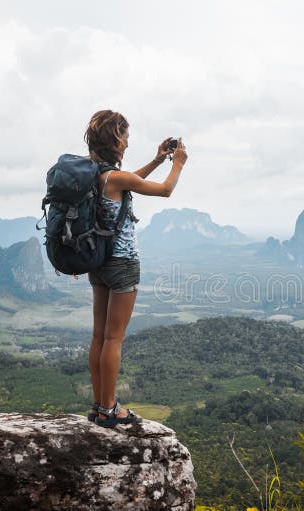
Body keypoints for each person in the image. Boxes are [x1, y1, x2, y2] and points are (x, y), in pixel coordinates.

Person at [83, 109, 187, 428]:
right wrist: (178, 163)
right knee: (114, 338)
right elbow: (164, 190)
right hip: (123, 264)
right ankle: (110, 408)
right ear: (115, 138)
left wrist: (157, 159)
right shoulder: (116, 178)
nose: (127, 144)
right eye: (125, 137)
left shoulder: (93, 174)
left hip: (97, 263)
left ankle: (100, 406)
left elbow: (131, 182)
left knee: (100, 335)